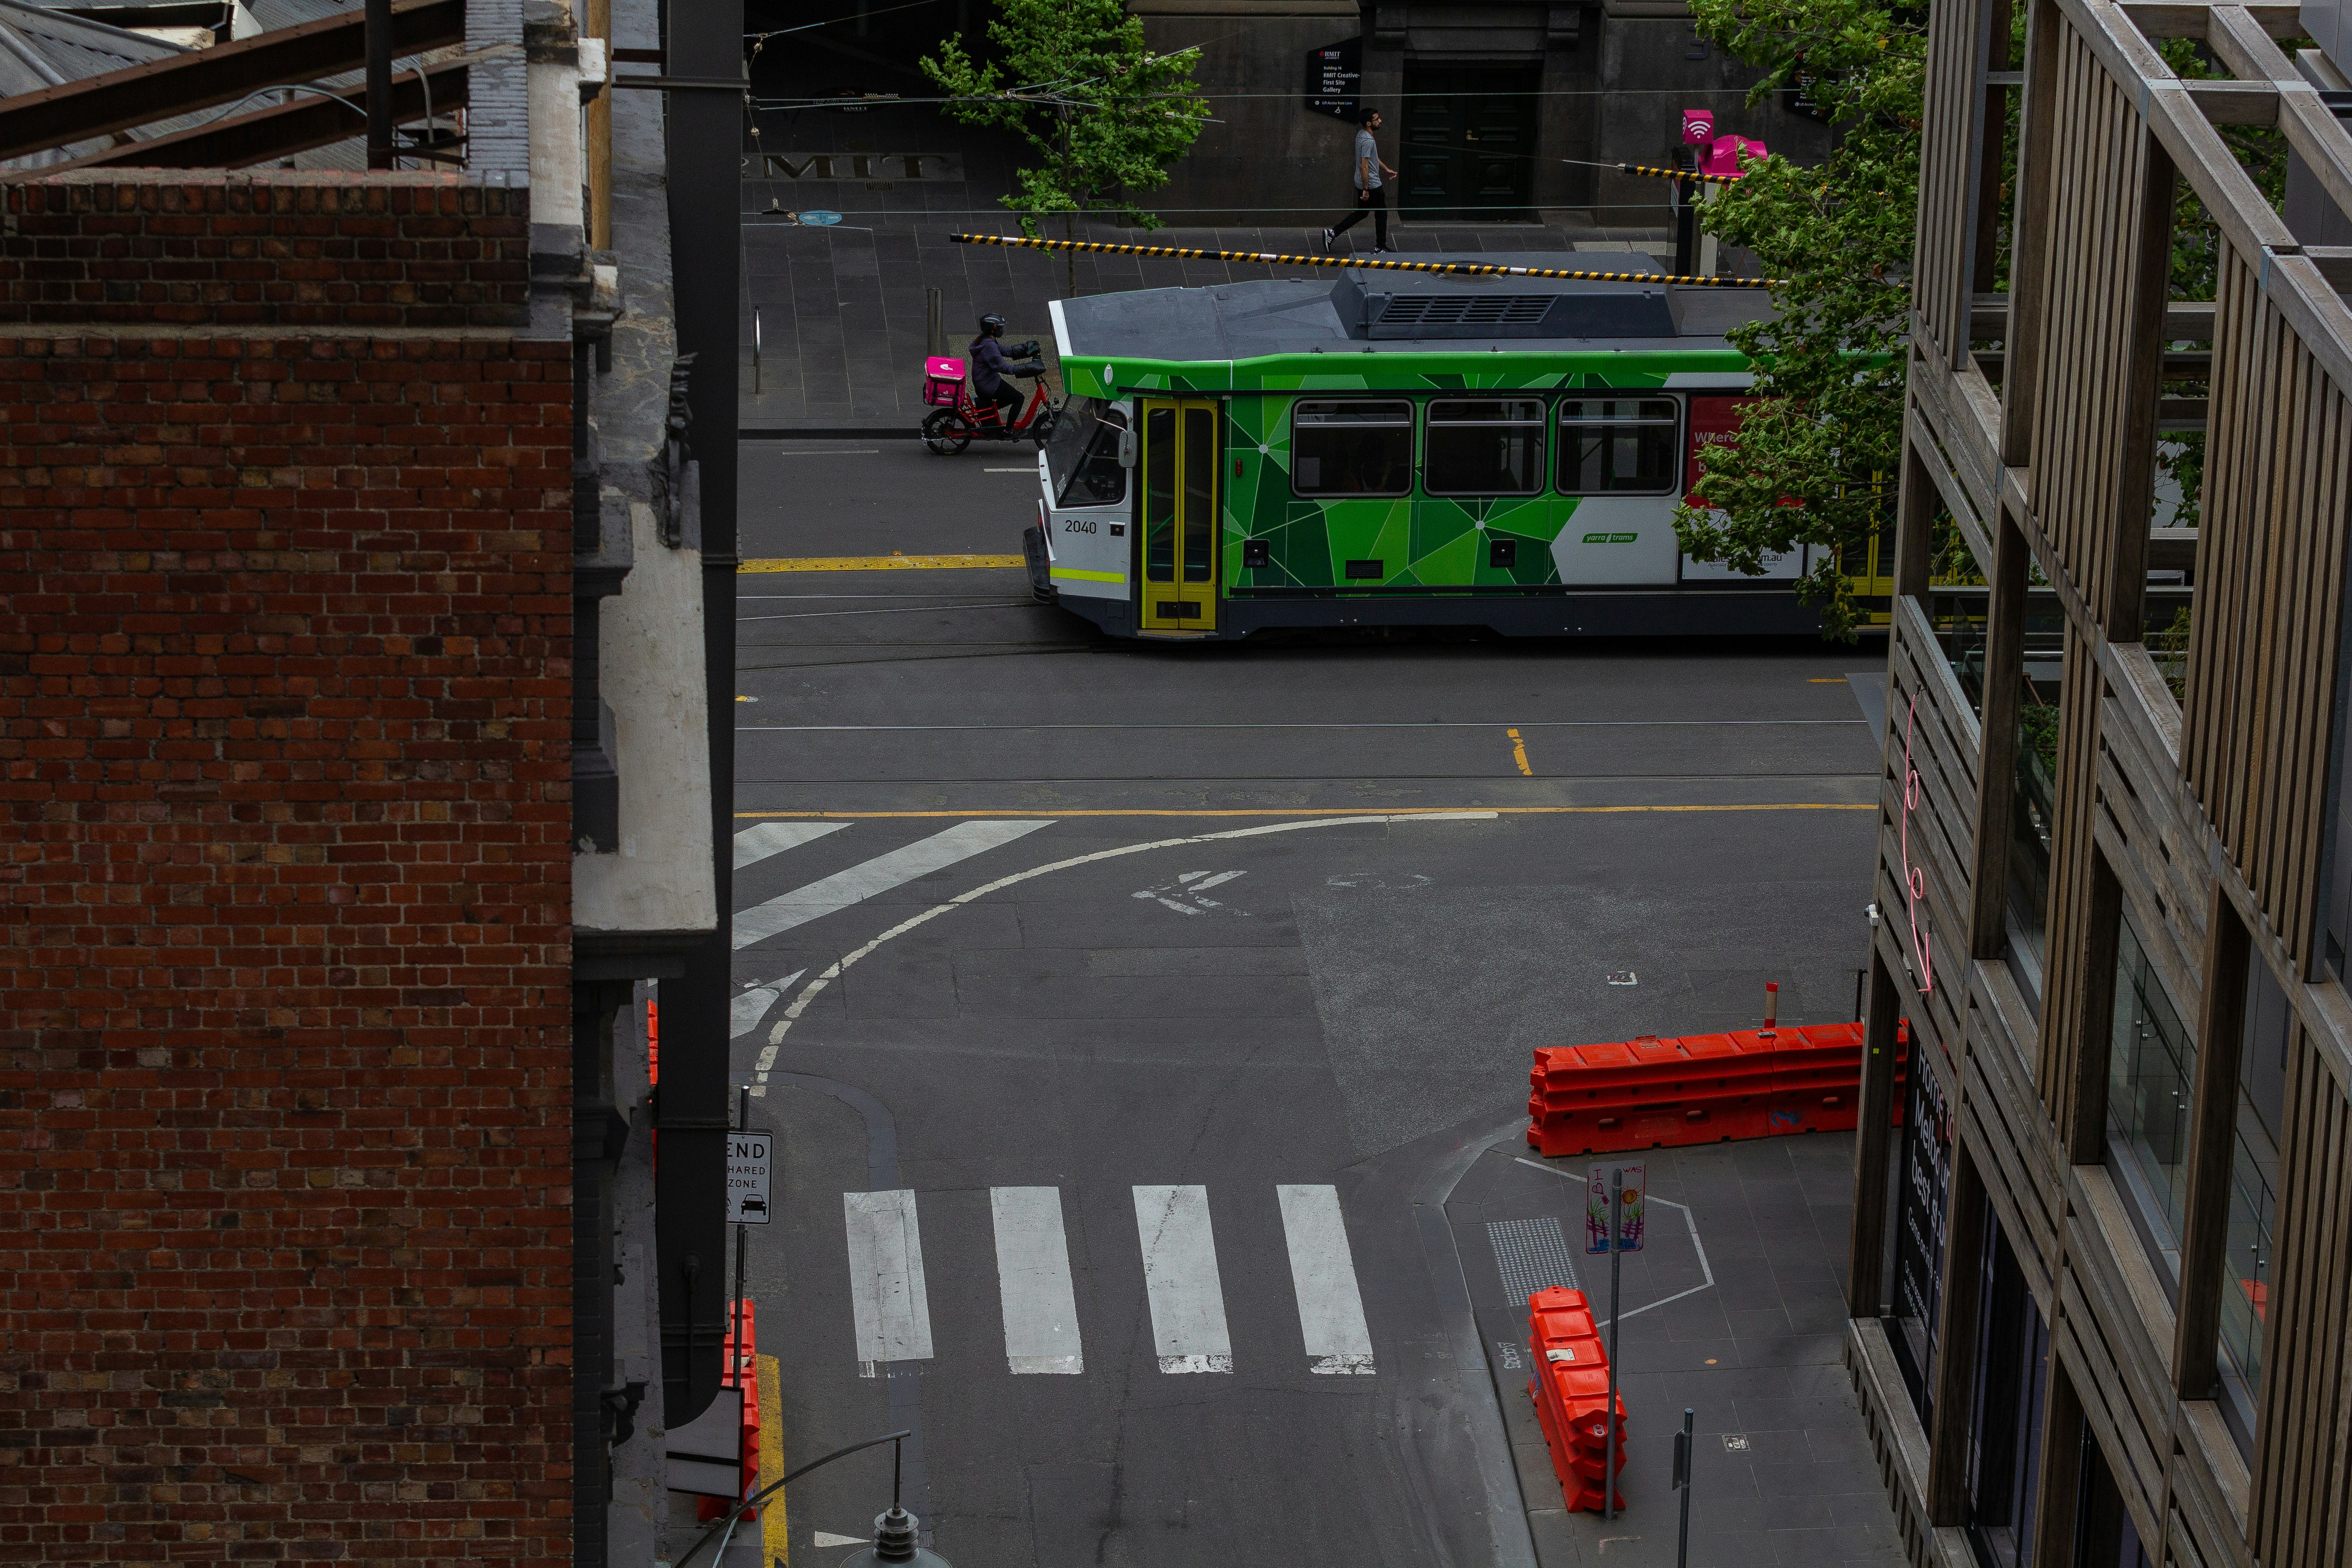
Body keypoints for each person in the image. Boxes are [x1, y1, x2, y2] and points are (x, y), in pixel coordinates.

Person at [1324, 108, 1396, 254]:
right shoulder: (1368, 140)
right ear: (1369, 123)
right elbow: (1365, 166)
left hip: (1362, 182)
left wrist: (1385, 169)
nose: (1380, 120)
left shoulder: (1361, 135)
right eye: (1377, 119)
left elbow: (1371, 159)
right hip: (1372, 184)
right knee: (1382, 215)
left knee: (1362, 213)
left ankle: (1332, 233)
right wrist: (1366, 189)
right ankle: (1380, 247)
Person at [968, 314, 1032, 427]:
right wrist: (1024, 369)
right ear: (993, 329)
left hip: (987, 381)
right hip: (988, 384)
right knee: (1019, 398)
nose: (1002, 330)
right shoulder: (989, 346)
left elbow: (1004, 350)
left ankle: (986, 411)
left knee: (1010, 397)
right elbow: (1002, 367)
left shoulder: (986, 340)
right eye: (1000, 328)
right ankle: (1008, 431)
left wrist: (1025, 349)